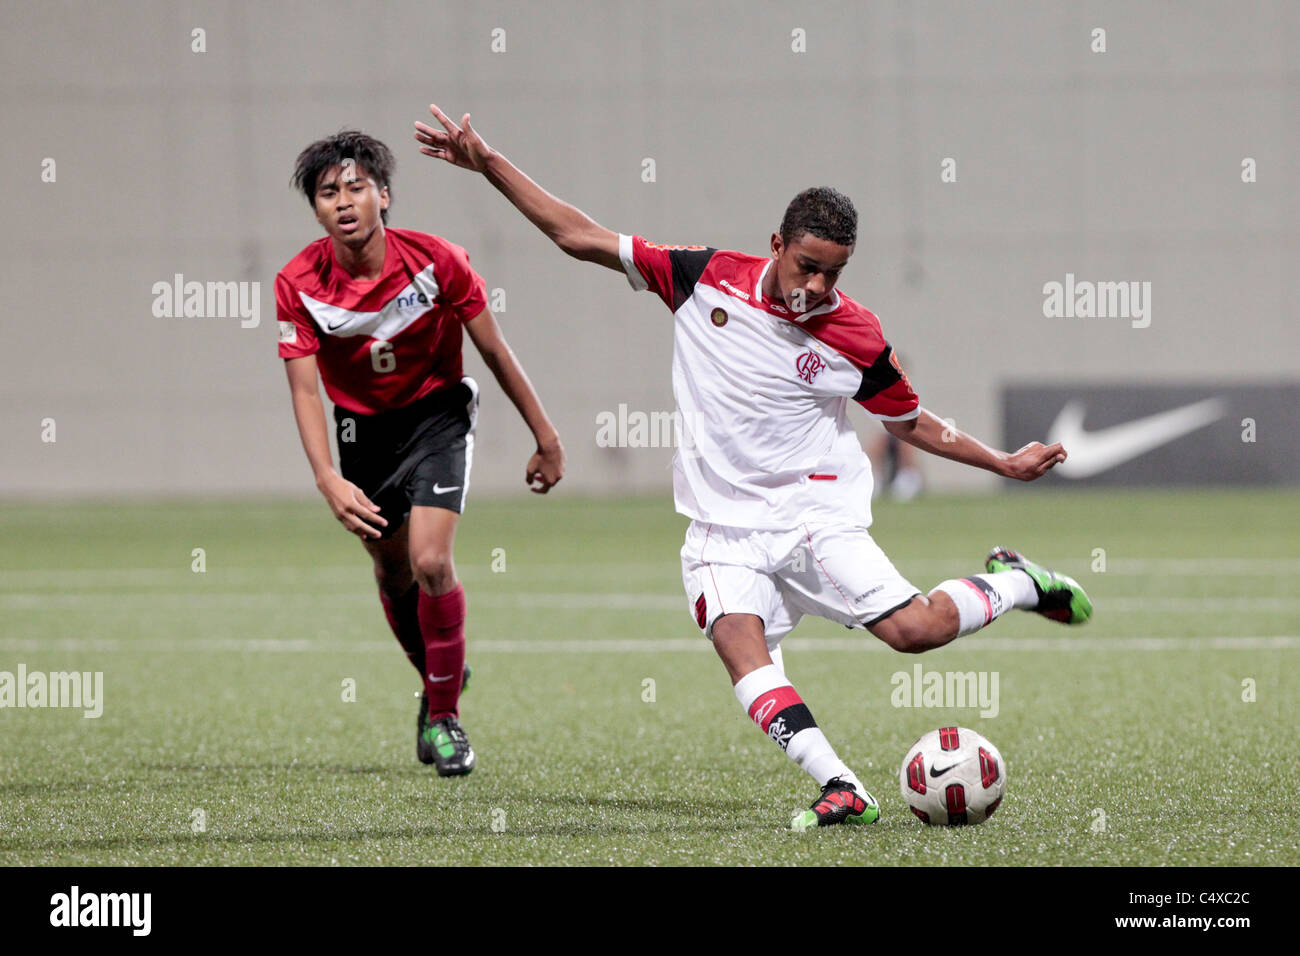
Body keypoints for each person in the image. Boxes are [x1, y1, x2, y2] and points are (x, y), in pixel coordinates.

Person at [413, 106, 1090, 825]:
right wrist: (487, 163)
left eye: (833, 274)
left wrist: (999, 463)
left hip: (811, 516)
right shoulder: (702, 278)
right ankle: (842, 787)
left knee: (914, 634)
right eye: (807, 267)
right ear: (776, 245)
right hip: (720, 525)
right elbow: (573, 234)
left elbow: (911, 422)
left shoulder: (856, 336)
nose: (816, 288)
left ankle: (1017, 581)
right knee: (741, 648)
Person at [276, 130, 565, 777]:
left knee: (431, 561)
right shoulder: (297, 283)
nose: (344, 202)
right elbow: (302, 387)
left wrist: (545, 436)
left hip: (437, 416)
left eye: (357, 188)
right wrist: (326, 477)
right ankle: (442, 677)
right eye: (329, 193)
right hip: (361, 435)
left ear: (385, 195)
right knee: (392, 573)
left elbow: (493, 350)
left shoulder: (439, 261)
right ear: (316, 210)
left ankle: (444, 720)